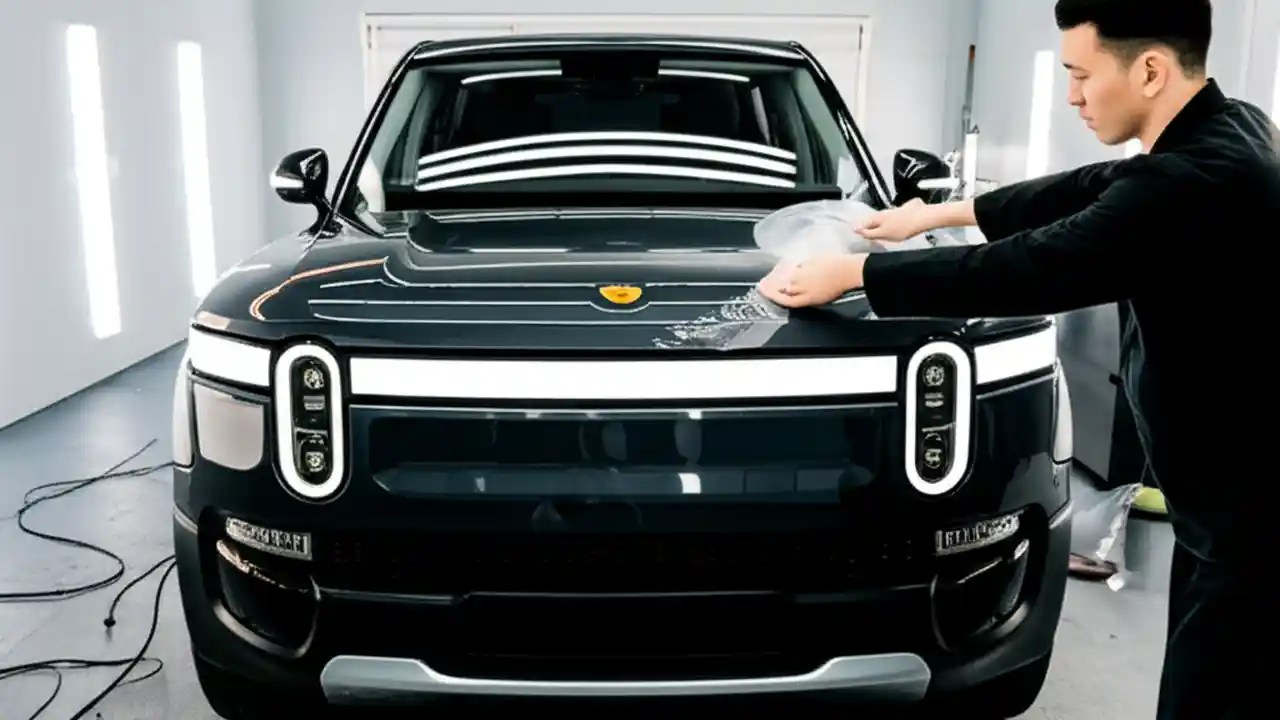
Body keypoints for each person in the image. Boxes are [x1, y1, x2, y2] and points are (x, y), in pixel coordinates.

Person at [758, 0, 1278, 717]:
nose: (1071, 96)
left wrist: (857, 276)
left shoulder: (1189, 186)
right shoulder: (1228, 131)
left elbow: (1027, 269)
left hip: (1249, 505)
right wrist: (934, 214)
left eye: (1081, 75)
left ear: (1151, 70)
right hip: (1221, 493)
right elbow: (1086, 188)